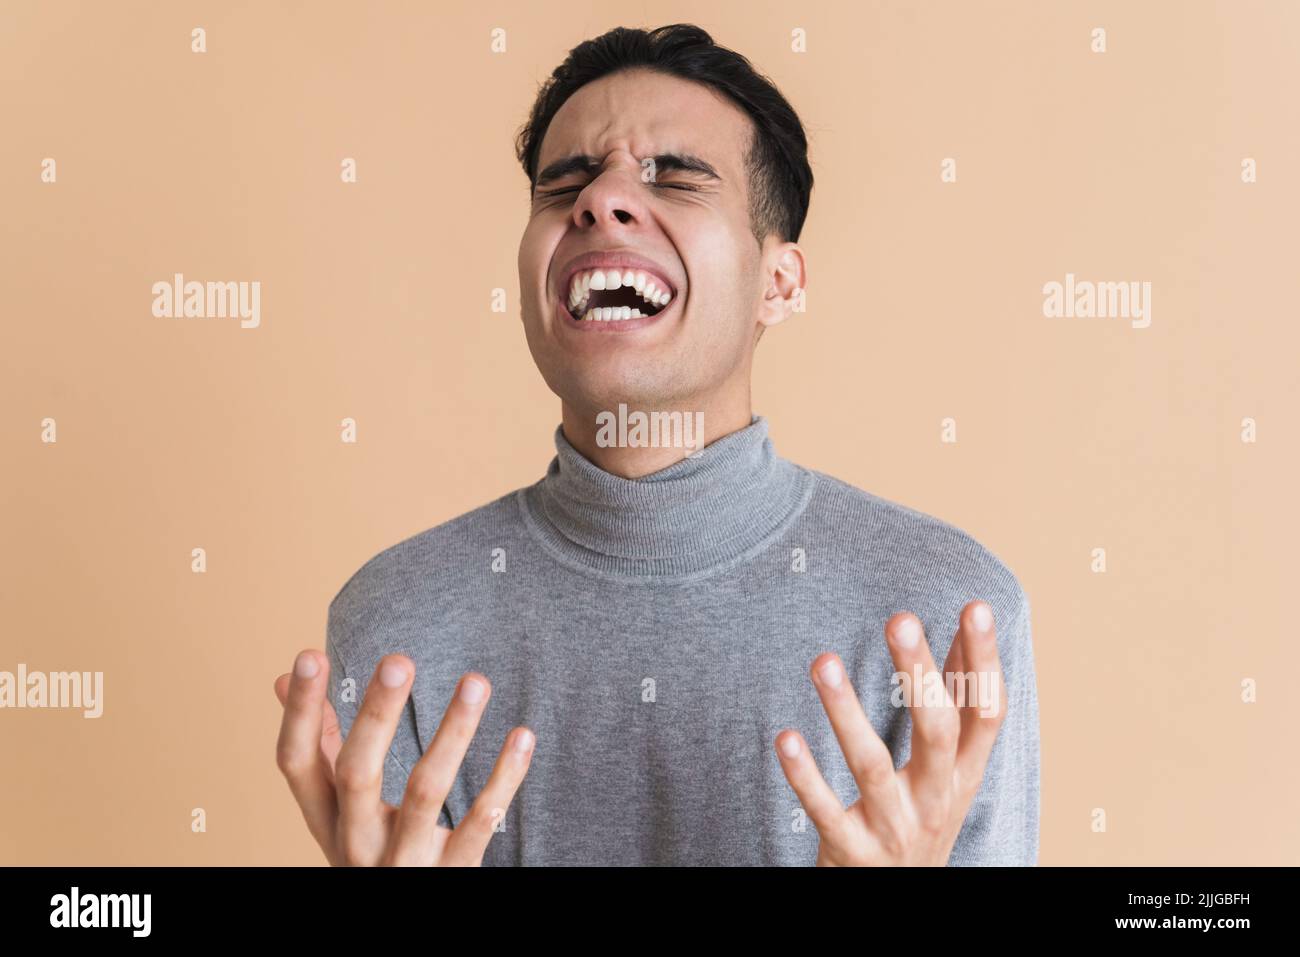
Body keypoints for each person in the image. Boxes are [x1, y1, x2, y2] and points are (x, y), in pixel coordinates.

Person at [273, 23, 1040, 866]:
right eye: (563, 184)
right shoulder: (396, 624)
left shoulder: (948, 616)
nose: (598, 201)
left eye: (674, 178)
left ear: (777, 284)